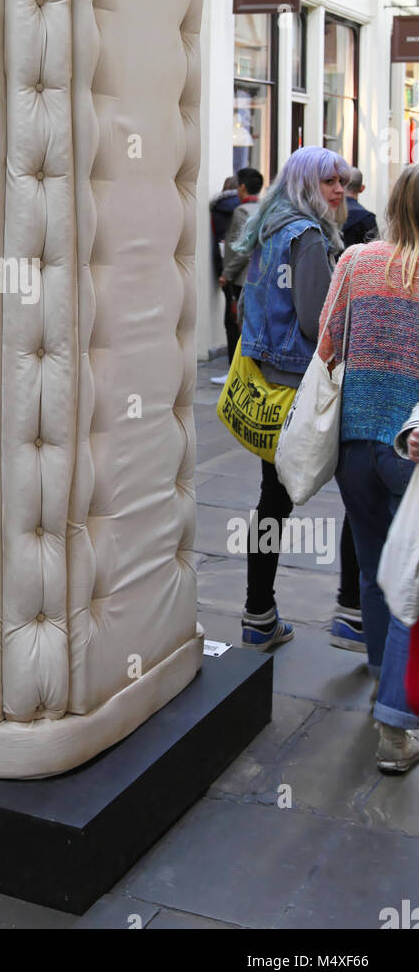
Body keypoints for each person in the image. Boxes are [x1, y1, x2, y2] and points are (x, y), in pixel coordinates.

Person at [317, 164, 419, 771]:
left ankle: (384, 678)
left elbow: (327, 341)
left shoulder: (355, 261)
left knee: (378, 567)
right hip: (409, 449)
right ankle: (396, 724)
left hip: (354, 446)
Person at [234, 146, 350, 651]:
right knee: (358, 488)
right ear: (306, 184)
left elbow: (247, 304)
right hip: (297, 388)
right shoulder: (304, 236)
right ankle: (352, 611)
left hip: (266, 384)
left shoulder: (269, 229)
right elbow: (315, 320)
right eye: (329, 182)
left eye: (342, 182)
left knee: (271, 501)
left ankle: (259, 613)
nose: (339, 191)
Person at [219, 166, 263, 360]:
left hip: (239, 279)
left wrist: (226, 273)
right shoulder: (263, 209)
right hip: (258, 275)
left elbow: (242, 247)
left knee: (234, 323)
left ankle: (234, 368)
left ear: (243, 187)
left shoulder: (241, 211)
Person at [209, 175, 239, 385]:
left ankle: (232, 368)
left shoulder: (216, 208)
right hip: (243, 271)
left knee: (230, 319)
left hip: (224, 269)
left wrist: (224, 272)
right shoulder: (246, 209)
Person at [341, 167, 379, 248]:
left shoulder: (328, 215)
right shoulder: (368, 218)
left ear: (342, 186)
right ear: (362, 188)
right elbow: (375, 252)